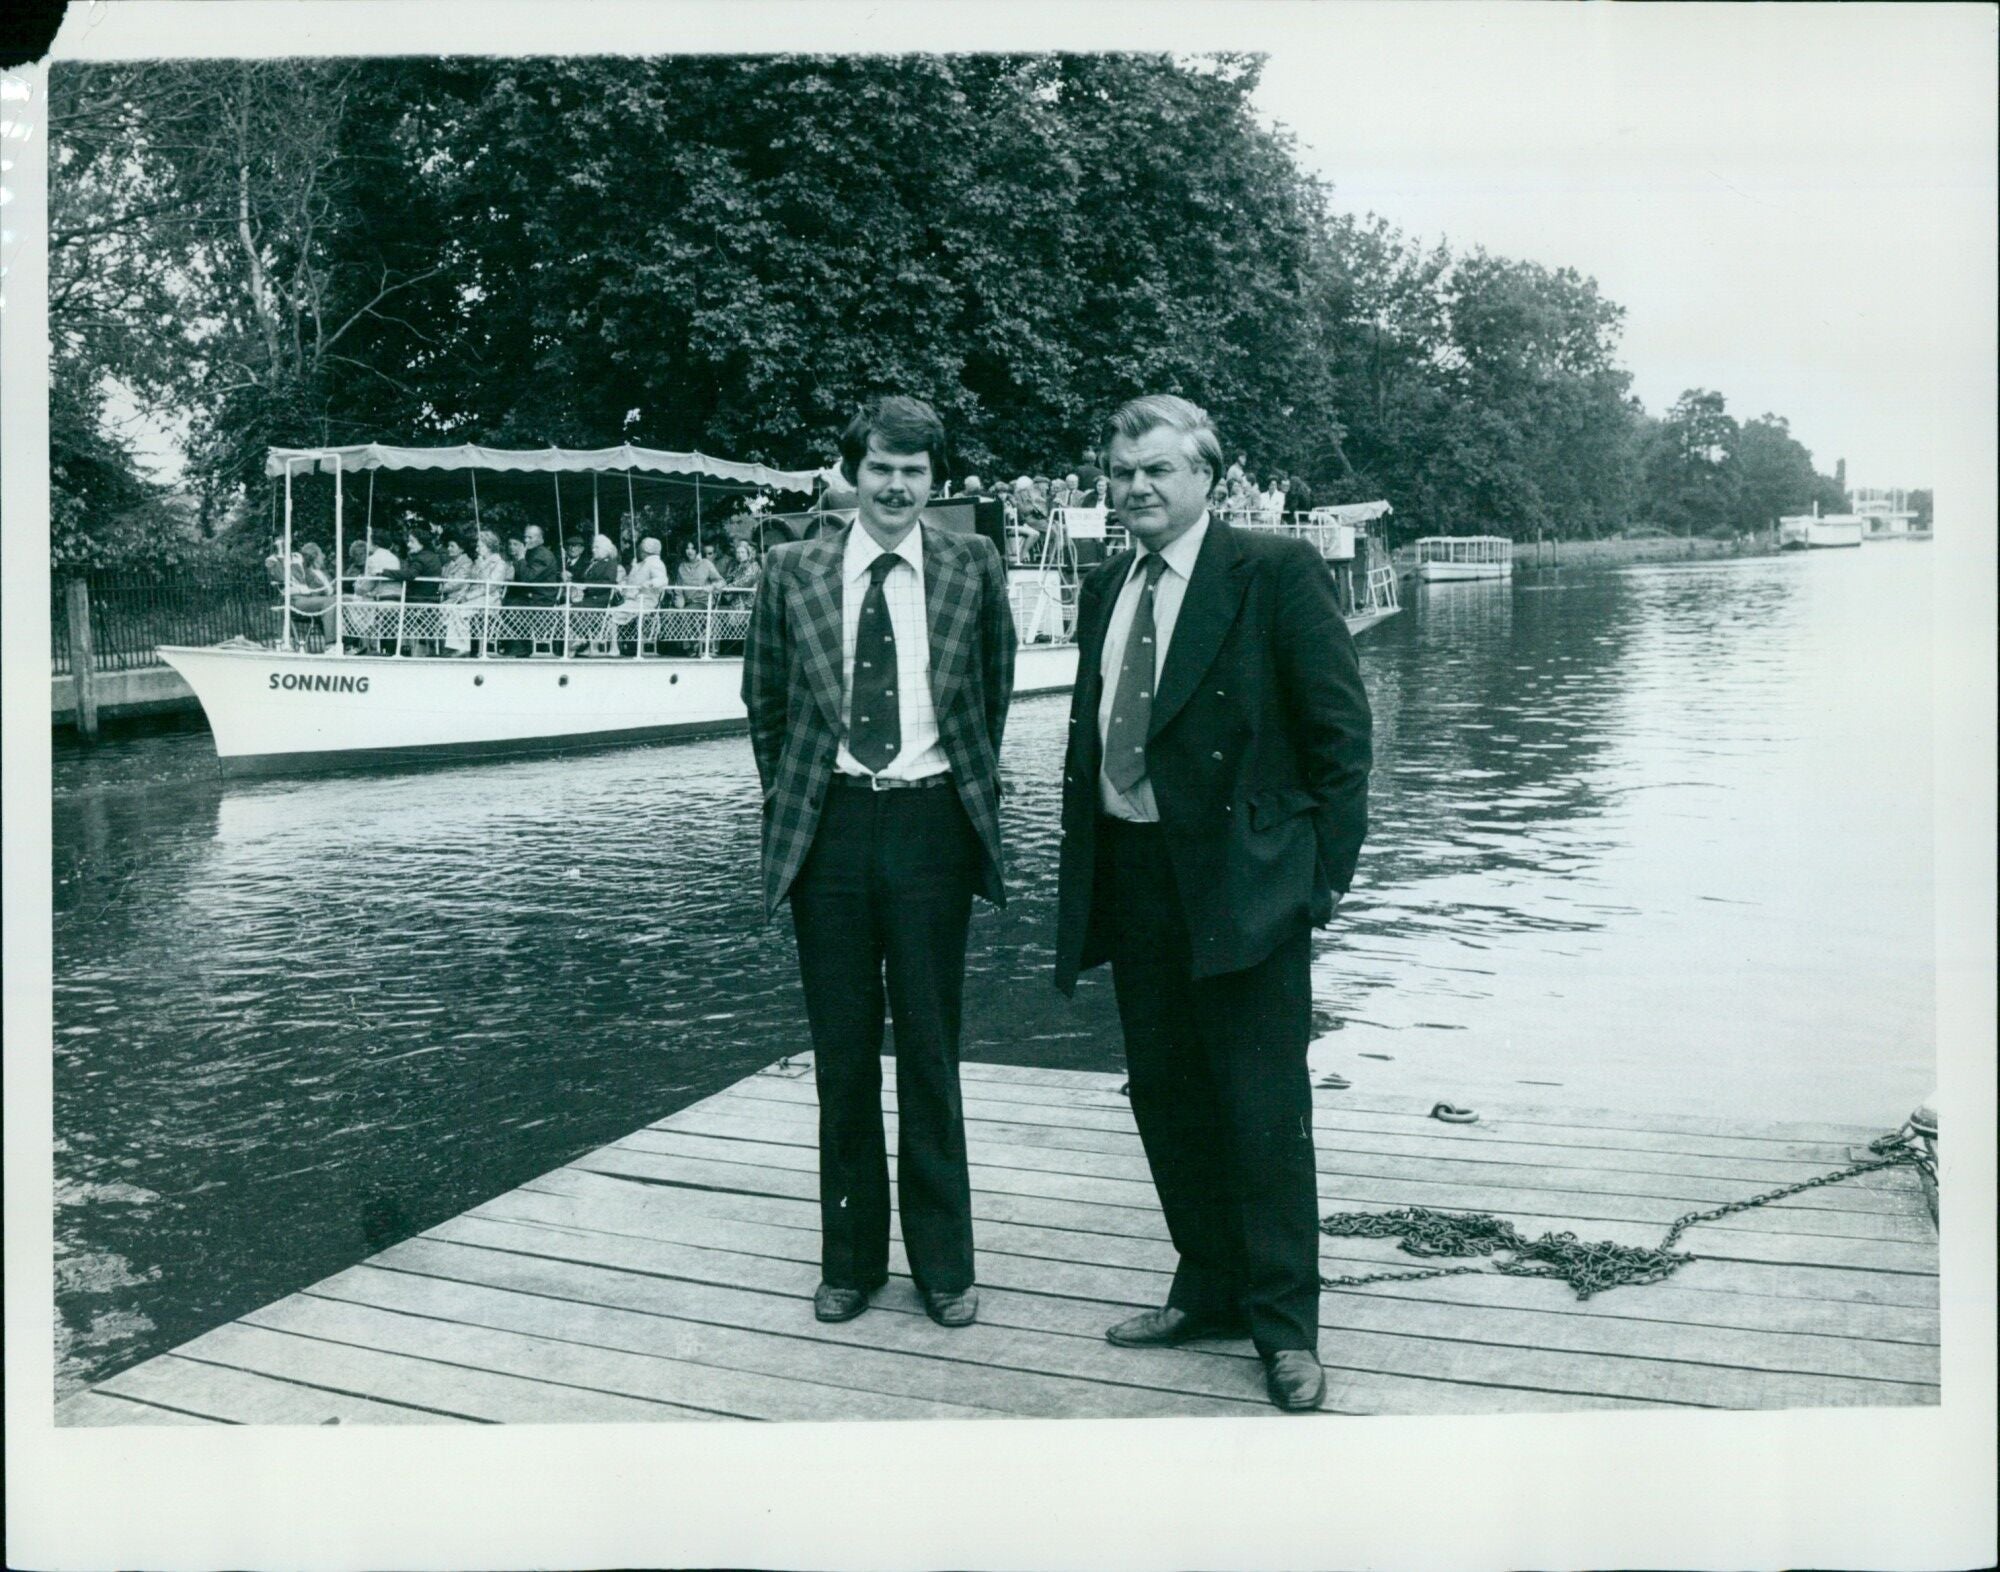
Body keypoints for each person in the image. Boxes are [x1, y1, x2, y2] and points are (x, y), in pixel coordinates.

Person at [1052, 394, 1372, 1414]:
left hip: (1245, 884)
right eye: (1120, 472)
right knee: (1166, 1093)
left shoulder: (1272, 572)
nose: (1135, 487)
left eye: (1157, 469)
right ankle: (1206, 1288)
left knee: (1261, 1108)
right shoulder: (1107, 586)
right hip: (1134, 873)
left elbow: (1340, 739)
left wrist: (1316, 882)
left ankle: (1284, 1328)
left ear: (1207, 476)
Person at [742, 395, 1015, 1331]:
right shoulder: (794, 570)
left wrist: (950, 784)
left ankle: (944, 1266)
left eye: (914, 472)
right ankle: (850, 1261)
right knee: (843, 1052)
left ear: (935, 480)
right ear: (850, 473)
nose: (897, 487)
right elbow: (766, 704)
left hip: (934, 822)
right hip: (831, 829)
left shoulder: (972, 565)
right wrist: (802, 798)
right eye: (881, 469)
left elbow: (992, 690)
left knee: (932, 1048)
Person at [443, 529, 512, 655]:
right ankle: (453, 646)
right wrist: (463, 595)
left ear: (489, 546)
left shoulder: (499, 564)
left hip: (489, 600)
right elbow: (470, 582)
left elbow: (490, 586)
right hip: (474, 599)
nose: (477, 549)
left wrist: (468, 597)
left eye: (480, 546)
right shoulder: (479, 562)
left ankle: (462, 647)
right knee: (451, 608)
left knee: (460, 610)